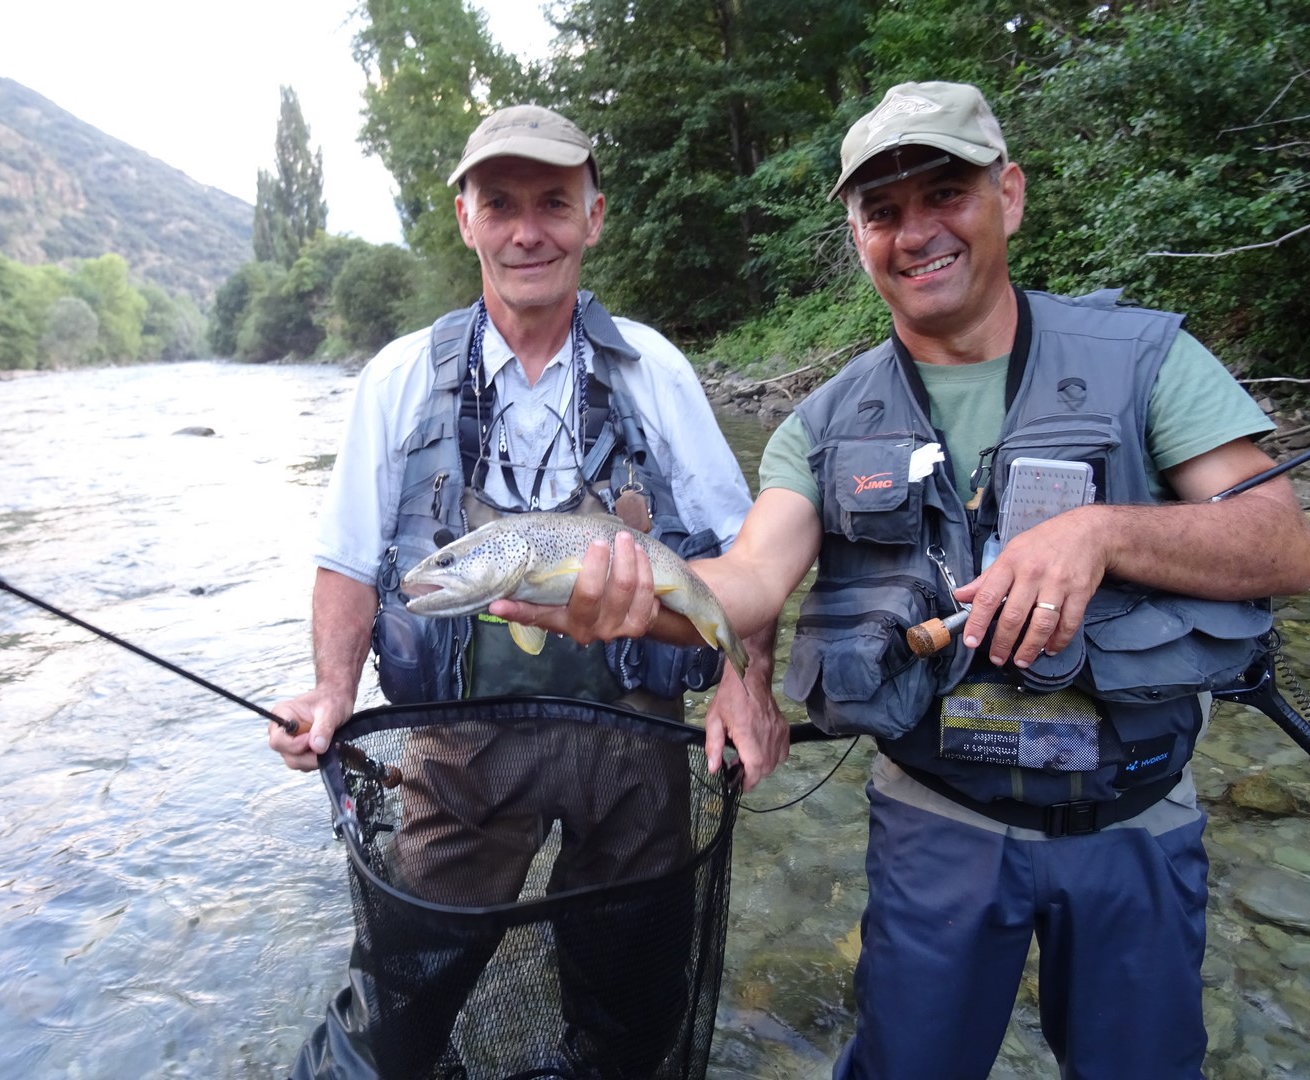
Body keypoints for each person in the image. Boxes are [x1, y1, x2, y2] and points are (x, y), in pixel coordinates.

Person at [492, 82, 1310, 1078]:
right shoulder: (822, 424)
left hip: (1138, 818)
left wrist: (1105, 533)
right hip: (938, 823)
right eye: (882, 211)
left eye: (946, 193)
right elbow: (749, 584)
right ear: (856, 233)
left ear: (1007, 194)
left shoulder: (1150, 362)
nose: (916, 230)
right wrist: (634, 597)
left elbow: (1283, 542)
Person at [268, 103, 788, 1079]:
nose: (526, 229)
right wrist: (333, 693)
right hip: (460, 758)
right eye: (499, 203)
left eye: (554, 201)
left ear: (594, 217)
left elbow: (741, 550)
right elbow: (345, 560)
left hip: (638, 750)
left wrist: (743, 686)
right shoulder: (396, 380)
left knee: (631, 1018)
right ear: (464, 218)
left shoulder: (656, 370)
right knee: (396, 1009)